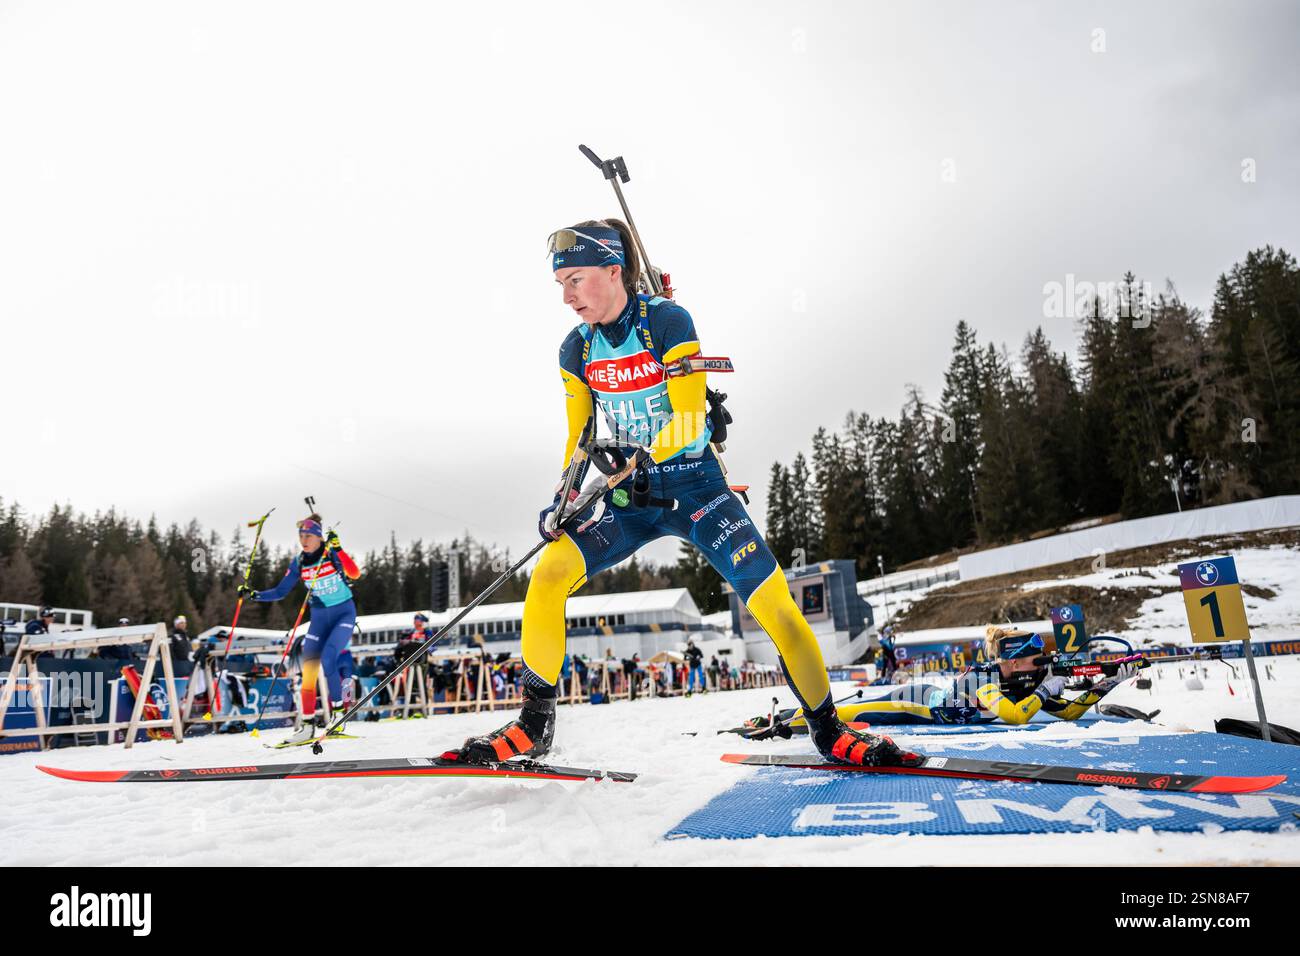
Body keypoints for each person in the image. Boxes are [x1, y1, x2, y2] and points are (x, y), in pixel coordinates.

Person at [447, 219, 908, 768]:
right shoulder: (576, 349)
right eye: (560, 285)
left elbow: (689, 418)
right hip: (629, 501)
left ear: (613, 270)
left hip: (695, 489)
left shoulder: (666, 321)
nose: (567, 296)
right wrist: (565, 494)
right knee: (547, 576)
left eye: (575, 279)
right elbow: (581, 434)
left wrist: (639, 458)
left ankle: (830, 730)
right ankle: (534, 726)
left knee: (775, 605)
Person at [744, 625, 1140, 735]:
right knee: (844, 713)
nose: (1043, 665)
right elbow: (1015, 716)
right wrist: (1044, 688)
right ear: (1016, 663)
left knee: (850, 712)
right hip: (916, 702)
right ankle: (776, 723)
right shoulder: (985, 676)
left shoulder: (1025, 681)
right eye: (1036, 660)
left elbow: (1068, 712)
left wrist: (1103, 687)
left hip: (933, 697)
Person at [240, 513, 361, 744]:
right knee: (309, 669)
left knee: (328, 659)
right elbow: (280, 591)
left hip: (343, 613)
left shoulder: (331, 553)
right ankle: (306, 725)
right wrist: (253, 595)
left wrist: (339, 548)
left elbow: (354, 573)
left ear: (318, 537)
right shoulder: (299, 562)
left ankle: (337, 715)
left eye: (308, 536)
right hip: (318, 618)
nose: (303, 540)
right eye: (300, 535)